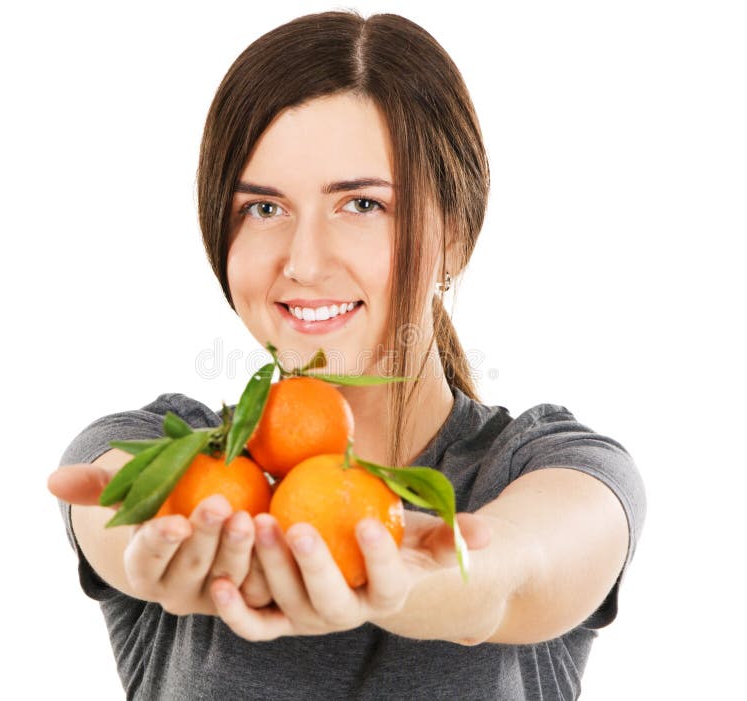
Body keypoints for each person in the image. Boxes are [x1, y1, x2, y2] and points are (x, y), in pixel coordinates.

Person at [48, 10, 647, 700]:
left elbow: (517, 570)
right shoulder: (172, 457)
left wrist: (413, 575)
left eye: (361, 204)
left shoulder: (554, 468)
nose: (302, 263)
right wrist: (159, 517)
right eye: (263, 210)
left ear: (455, 232)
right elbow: (111, 502)